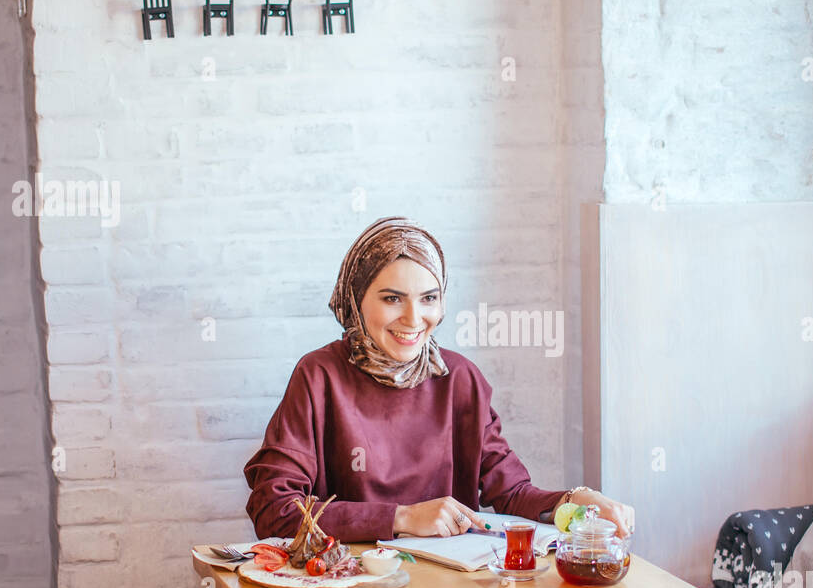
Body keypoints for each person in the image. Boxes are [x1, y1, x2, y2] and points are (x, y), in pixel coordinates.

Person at [244, 215, 635, 544]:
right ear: (355, 299)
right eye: (392, 298)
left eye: (429, 298)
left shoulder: (459, 379)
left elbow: (513, 493)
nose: (414, 319)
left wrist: (579, 500)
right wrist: (400, 518)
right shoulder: (319, 377)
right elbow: (274, 510)